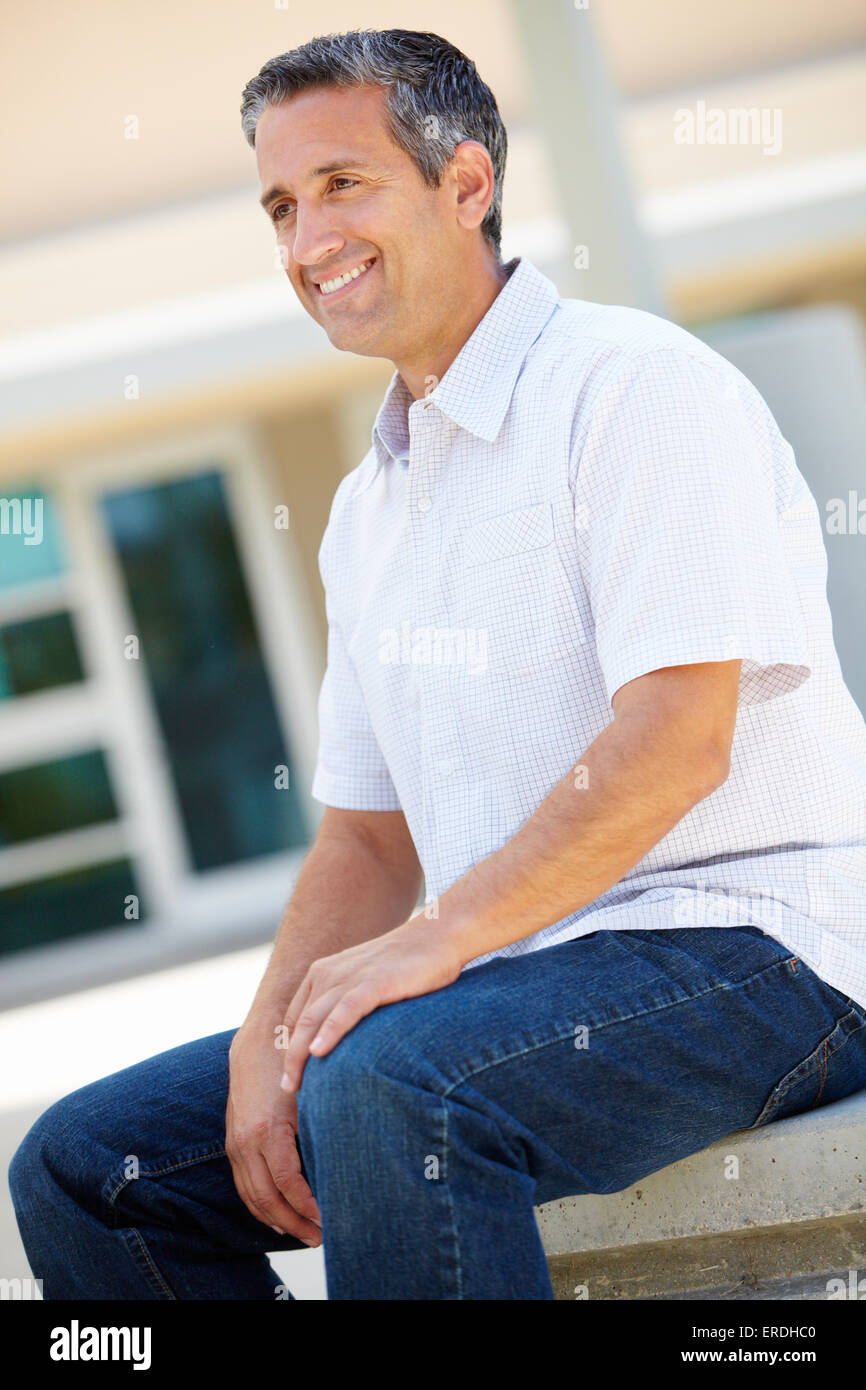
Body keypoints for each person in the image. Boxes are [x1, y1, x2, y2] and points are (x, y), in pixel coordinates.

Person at [10, 28, 866, 1301]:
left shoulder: (632, 391)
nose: (305, 244)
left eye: (341, 186)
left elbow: (679, 737)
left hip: (762, 948)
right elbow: (365, 842)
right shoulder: (369, 507)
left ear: (465, 184)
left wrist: (437, 944)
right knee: (89, 1163)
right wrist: (268, 1034)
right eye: (282, 208)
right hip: (520, 974)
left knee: (394, 1083)